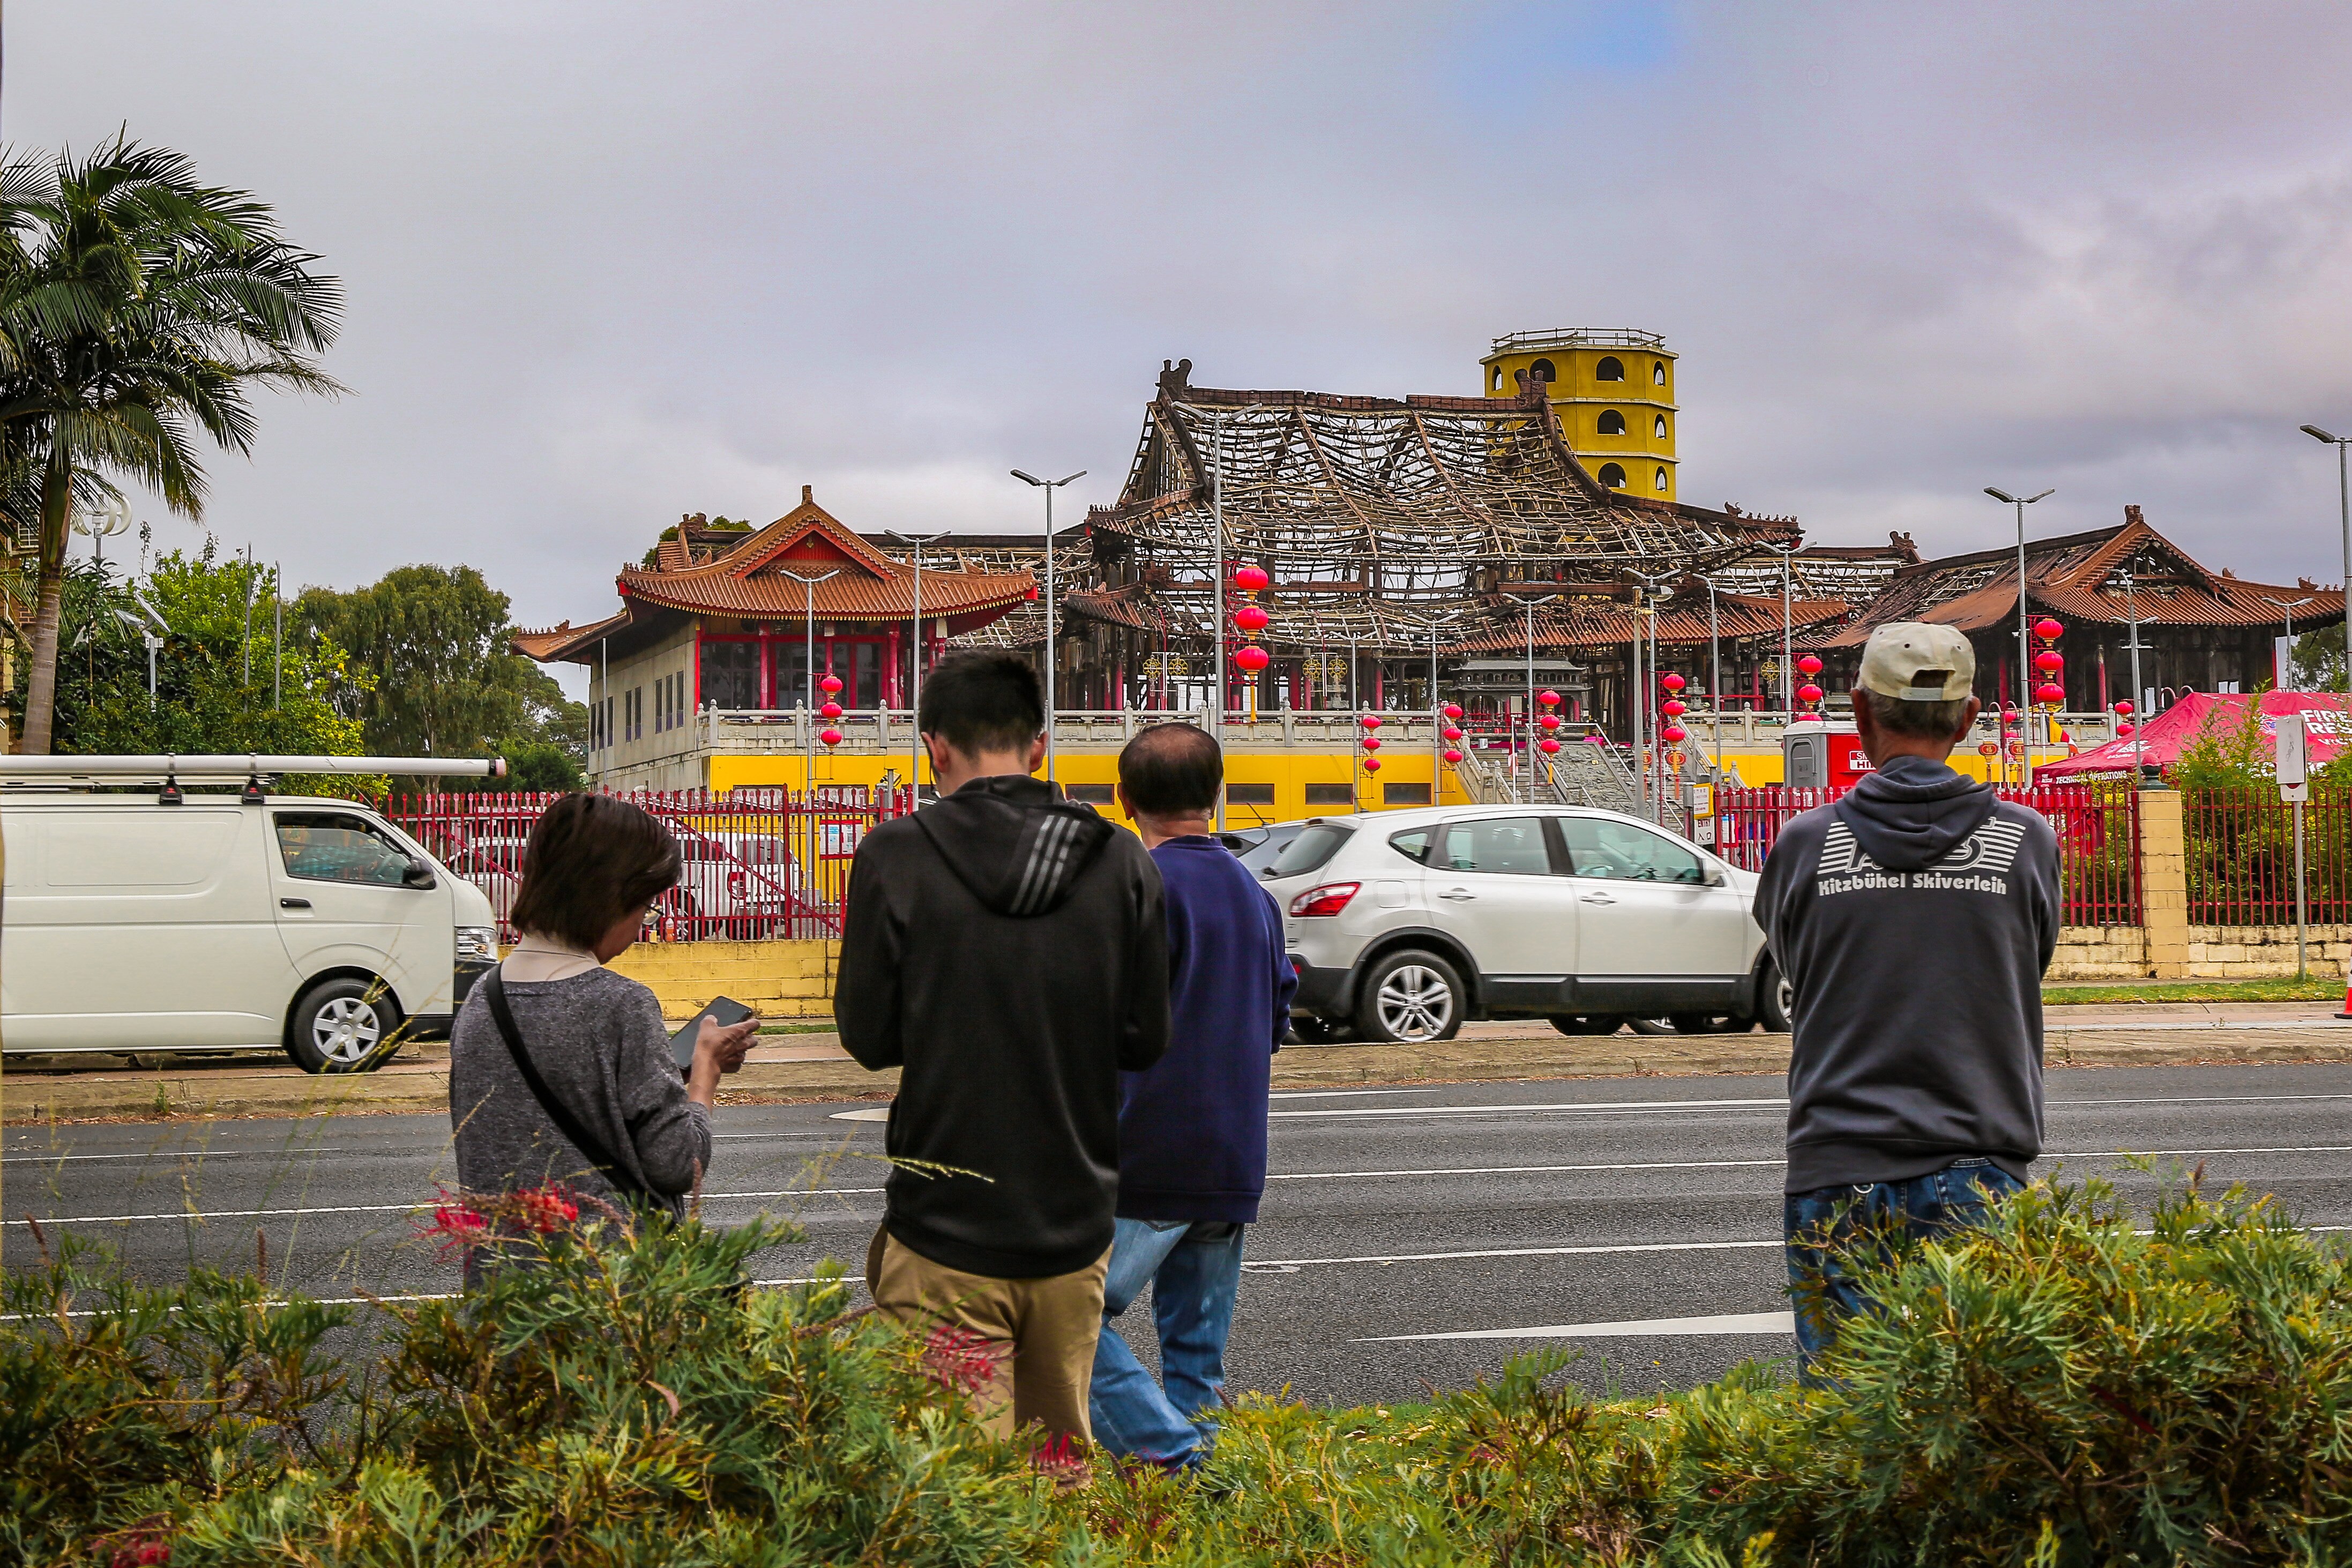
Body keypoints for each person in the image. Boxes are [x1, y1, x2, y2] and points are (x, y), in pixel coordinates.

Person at [836, 650, 1170, 1446]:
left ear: (935, 748)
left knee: (952, 1477)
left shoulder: (895, 854)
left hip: (944, 1224)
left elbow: (869, 1039)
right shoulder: (1120, 857)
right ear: (1039, 746)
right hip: (1073, 1218)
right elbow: (1144, 1038)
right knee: (1058, 1464)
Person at [1754, 622, 2059, 1370]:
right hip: (1980, 1162)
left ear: (1860, 710)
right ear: (1968, 718)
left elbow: (1798, 964)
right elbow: (2030, 960)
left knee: (1845, 1407)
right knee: (1977, 1403)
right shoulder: (2026, 841)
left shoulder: (1803, 845)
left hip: (1836, 1162)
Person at [1089, 722, 1295, 1470]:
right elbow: (1277, 1019)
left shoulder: (1135, 889)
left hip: (1147, 1153)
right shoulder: (1256, 897)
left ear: (1124, 799)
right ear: (1217, 794)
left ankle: (1170, 1458)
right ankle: (1199, 1506)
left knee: (1059, 1319)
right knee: (1196, 1367)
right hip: (1231, 1160)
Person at [451, 794, 759, 1242]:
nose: (641, 927)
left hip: (500, 1269)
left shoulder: (482, 996)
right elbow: (676, 1165)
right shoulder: (621, 1004)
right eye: (646, 906)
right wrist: (705, 1072)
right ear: (613, 898)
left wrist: (670, 1072)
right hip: (604, 1272)